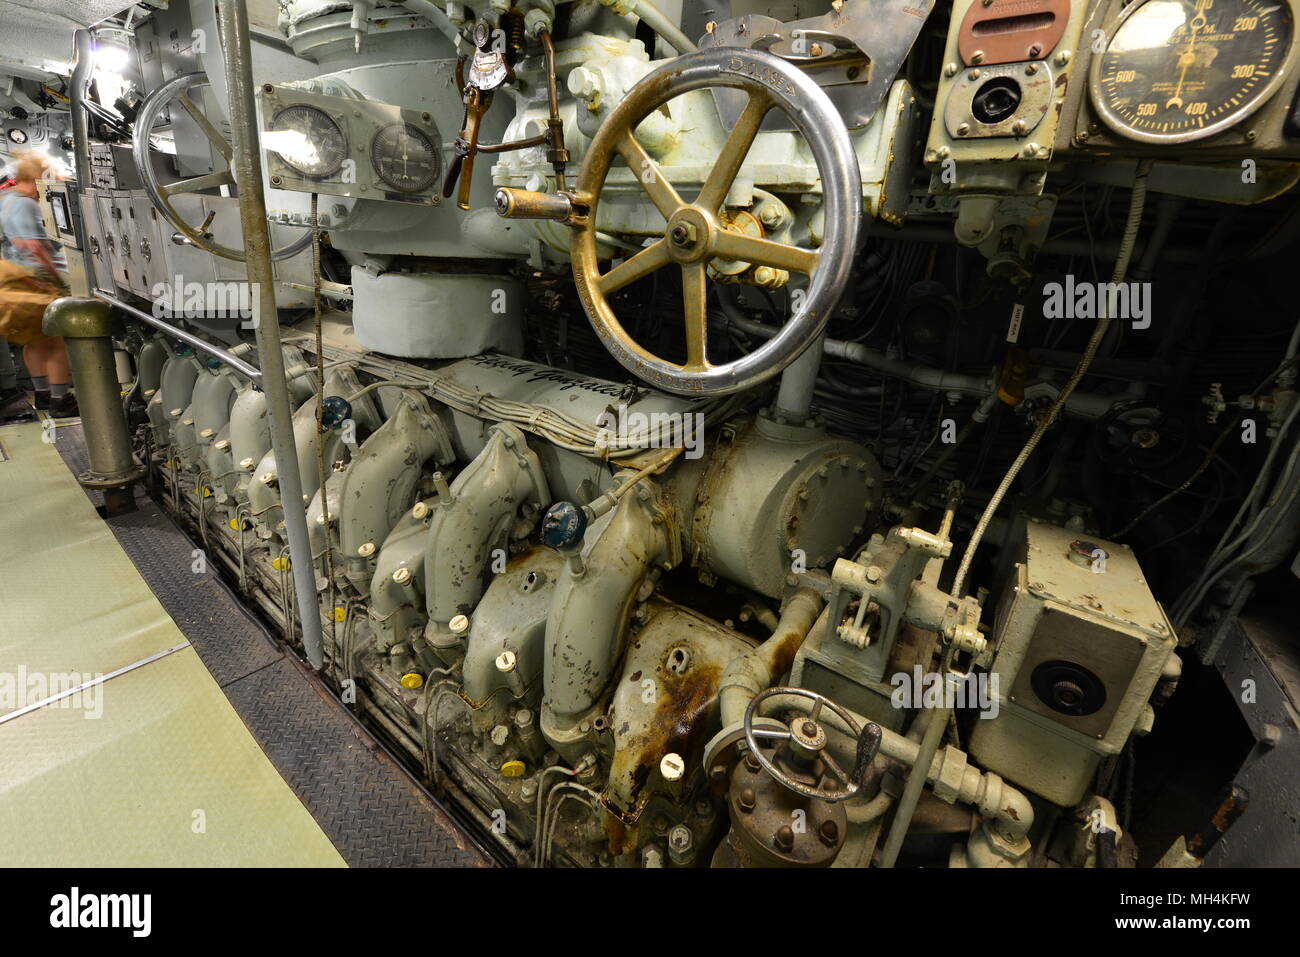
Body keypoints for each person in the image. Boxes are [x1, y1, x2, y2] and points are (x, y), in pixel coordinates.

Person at [0, 152, 77, 417]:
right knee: (57, 342)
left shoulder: (7, 200)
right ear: (36, 178)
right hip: (36, 281)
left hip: (16, 282)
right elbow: (31, 245)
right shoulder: (27, 204)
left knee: (33, 343)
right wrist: (56, 278)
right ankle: (60, 400)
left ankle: (42, 395)